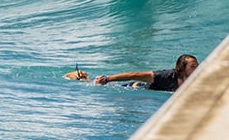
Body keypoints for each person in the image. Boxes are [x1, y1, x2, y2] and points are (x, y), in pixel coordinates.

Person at [65, 54, 198, 91]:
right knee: (92, 86)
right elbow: (135, 74)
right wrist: (107, 79)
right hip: (136, 87)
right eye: (193, 66)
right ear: (182, 68)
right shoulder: (165, 76)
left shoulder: (197, 79)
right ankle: (80, 76)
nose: (197, 68)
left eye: (197, 65)